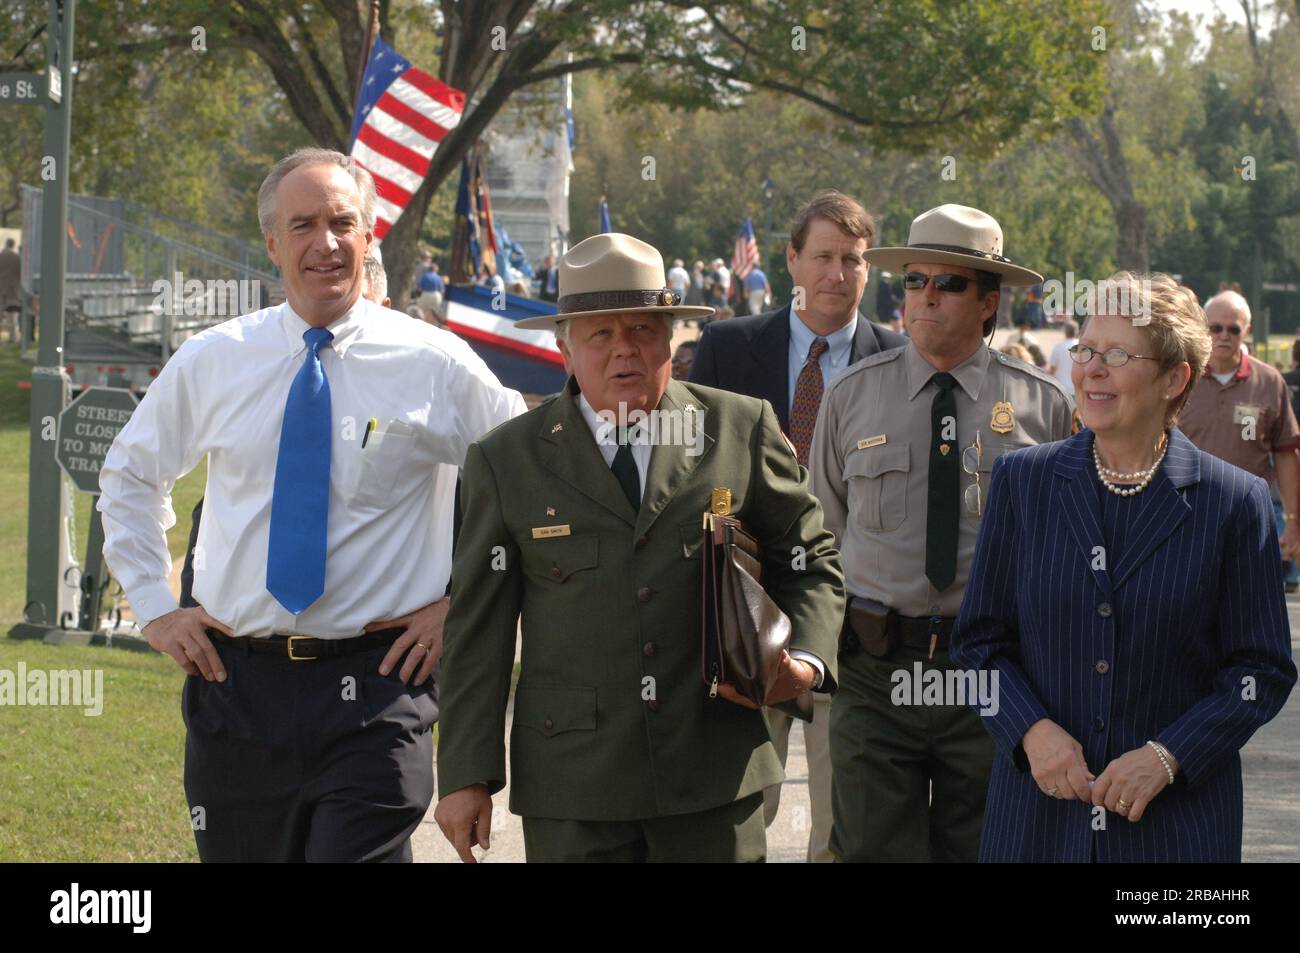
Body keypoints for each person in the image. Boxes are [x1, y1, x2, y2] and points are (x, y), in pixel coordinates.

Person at [98, 148, 525, 863]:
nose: (324, 244)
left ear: (369, 236)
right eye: (302, 225)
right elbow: (130, 475)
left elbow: (533, 481)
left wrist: (462, 604)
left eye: (342, 223)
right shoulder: (214, 359)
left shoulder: (436, 365)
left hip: (381, 692)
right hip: (235, 689)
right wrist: (156, 605)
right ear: (273, 242)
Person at [432, 232, 846, 863]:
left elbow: (809, 558)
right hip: (576, 788)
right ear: (564, 346)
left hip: (712, 774)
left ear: (672, 339)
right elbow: (477, 630)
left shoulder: (739, 427)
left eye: (644, 330)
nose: (624, 350)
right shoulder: (504, 460)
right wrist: (465, 775)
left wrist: (805, 663)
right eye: (600, 333)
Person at [952, 272, 1297, 861]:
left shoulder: (1234, 503)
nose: (1091, 370)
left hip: (1176, 833)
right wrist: (1031, 732)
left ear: (1174, 378)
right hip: (1037, 826)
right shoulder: (1022, 482)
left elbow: (1260, 669)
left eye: (1117, 354)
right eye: (1085, 350)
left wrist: (1170, 756)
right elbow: (978, 644)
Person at [809, 204, 1073, 862]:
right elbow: (821, 533)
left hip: (991, 677)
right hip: (876, 671)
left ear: (989, 301)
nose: (926, 295)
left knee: (986, 850)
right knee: (871, 850)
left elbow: (1064, 552)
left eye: (948, 283)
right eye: (915, 280)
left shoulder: (1044, 405)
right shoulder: (850, 396)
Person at [689, 190, 905, 863]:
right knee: (741, 804)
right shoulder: (728, 348)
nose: (837, 274)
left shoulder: (899, 363)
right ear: (790, 260)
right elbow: (690, 470)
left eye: (853, 260)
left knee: (842, 821)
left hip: (857, 621)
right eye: (823, 257)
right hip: (744, 611)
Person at [1177, 290, 1300, 578]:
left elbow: (1285, 454)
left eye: (1233, 329)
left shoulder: (1269, 382)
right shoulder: (1178, 378)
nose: (1224, 335)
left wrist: (1293, 521)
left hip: (1247, 523)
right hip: (1184, 519)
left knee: (1247, 611)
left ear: (1247, 331)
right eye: (1215, 327)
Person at [1048, 319, 1080, 399]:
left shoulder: (1058, 346)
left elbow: (1052, 369)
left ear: (1065, 332)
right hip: (1078, 388)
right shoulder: (1081, 345)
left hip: (1061, 389)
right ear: (1076, 331)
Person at [0, 238, 20, 342]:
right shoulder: (17, 258)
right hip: (12, 290)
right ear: (13, 245)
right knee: (12, 317)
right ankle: (13, 338)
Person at [417, 254, 445, 322]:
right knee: (433, 313)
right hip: (436, 296)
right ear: (436, 270)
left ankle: (423, 321)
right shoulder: (439, 277)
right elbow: (442, 290)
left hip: (426, 295)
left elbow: (420, 289)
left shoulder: (425, 275)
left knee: (421, 311)